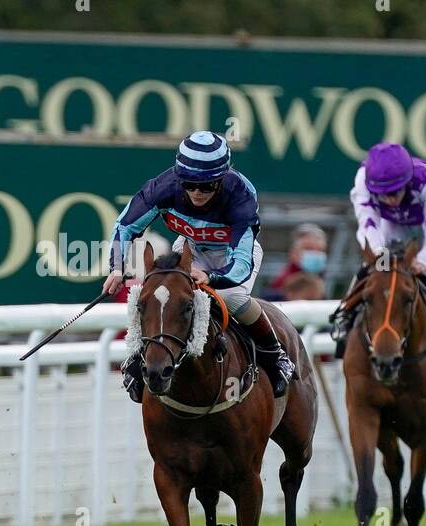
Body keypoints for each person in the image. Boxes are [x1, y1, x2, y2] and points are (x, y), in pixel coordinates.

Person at [104, 130, 295, 400]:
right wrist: (116, 267)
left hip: (231, 257)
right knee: (162, 295)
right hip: (190, 249)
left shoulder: (240, 196)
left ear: (221, 179)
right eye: (189, 184)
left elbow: (241, 264)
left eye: (206, 186)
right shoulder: (163, 187)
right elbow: (125, 225)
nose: (196, 192)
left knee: (232, 298)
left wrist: (212, 277)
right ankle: (137, 359)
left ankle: (275, 355)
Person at [328, 143, 426, 357]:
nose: (388, 198)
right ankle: (345, 318)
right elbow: (368, 223)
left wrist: (423, 260)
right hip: (391, 222)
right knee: (373, 267)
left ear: (406, 182)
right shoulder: (363, 180)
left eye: (394, 192)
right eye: (382, 193)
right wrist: (379, 255)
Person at [268, 223, 328, 301]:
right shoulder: (279, 287)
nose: (315, 254)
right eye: (309, 249)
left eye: (320, 250)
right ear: (293, 252)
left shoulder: (320, 281)